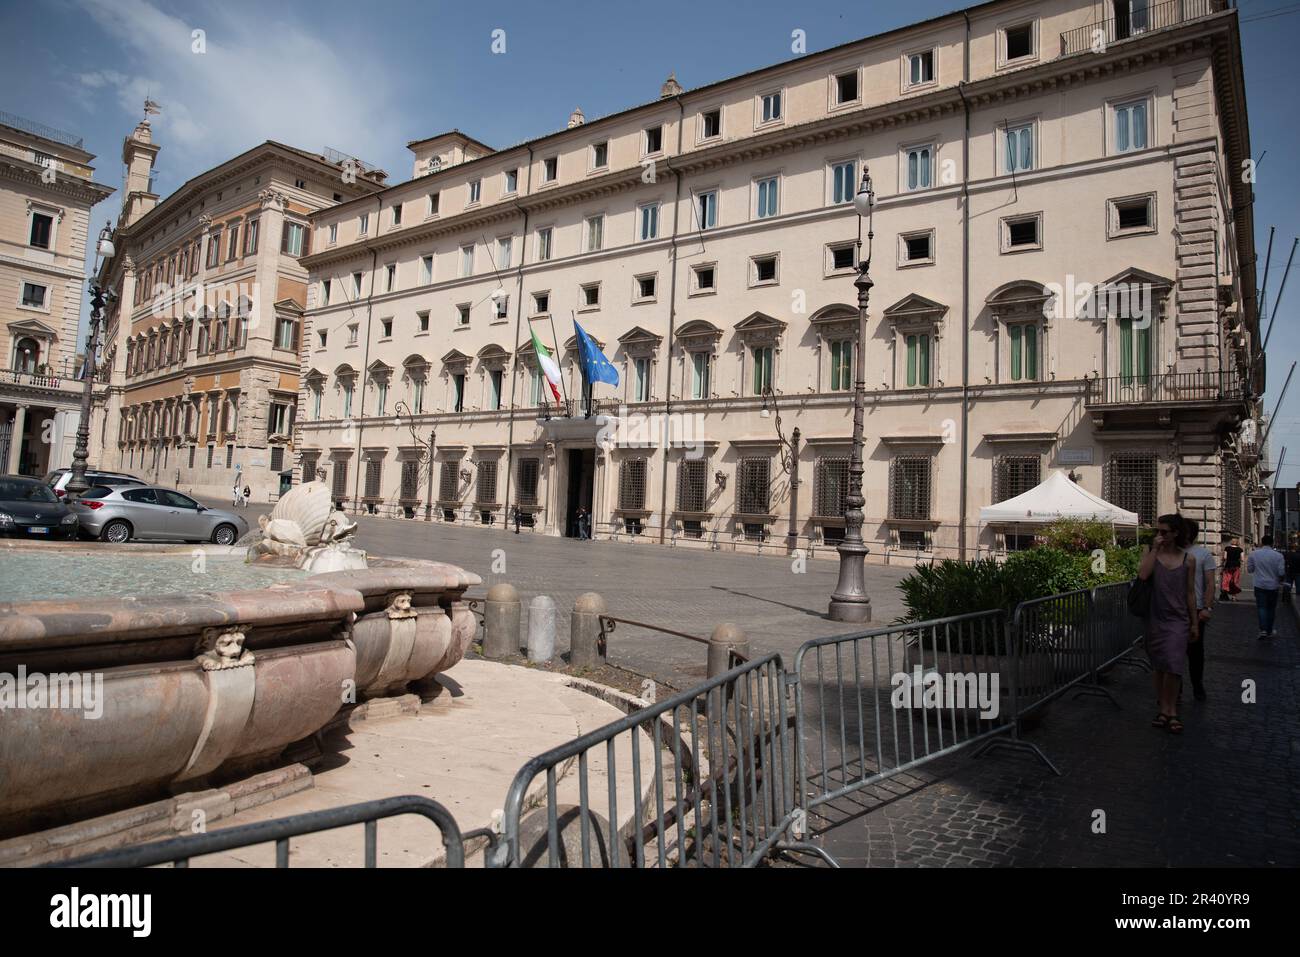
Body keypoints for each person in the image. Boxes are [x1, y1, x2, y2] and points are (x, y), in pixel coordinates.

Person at [1137, 513, 1198, 734]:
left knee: (1173, 664)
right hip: (1155, 617)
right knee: (1159, 665)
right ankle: (1163, 707)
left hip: (1178, 619)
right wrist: (1154, 549)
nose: (1159, 535)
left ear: (1175, 533)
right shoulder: (1152, 553)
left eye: (1164, 532)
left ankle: (1171, 710)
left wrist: (1194, 623)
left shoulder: (1188, 559)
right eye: (1157, 531)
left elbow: (1190, 593)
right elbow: (1143, 575)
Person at [1183, 518, 1215, 701]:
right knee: (1175, 652)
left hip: (1196, 609)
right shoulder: (1173, 552)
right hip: (1175, 609)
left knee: (1195, 652)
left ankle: (1197, 684)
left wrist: (1207, 607)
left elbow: (1210, 584)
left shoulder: (1203, 554)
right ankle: (1175, 690)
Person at [1247, 534, 1287, 639]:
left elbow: (1250, 569)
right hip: (1273, 585)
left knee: (1261, 607)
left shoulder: (1254, 554)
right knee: (1271, 608)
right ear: (1272, 543)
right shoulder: (1278, 556)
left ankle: (1263, 630)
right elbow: (1281, 572)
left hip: (1259, 584)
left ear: (1262, 542)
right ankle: (1269, 629)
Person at [1219, 536, 1243, 601]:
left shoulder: (1227, 548)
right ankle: (1234, 597)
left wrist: (1222, 564)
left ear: (1231, 542)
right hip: (1236, 566)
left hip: (1228, 566)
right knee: (1235, 581)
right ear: (1237, 543)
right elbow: (1242, 559)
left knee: (1226, 580)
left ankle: (1224, 595)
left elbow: (1225, 557)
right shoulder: (1240, 549)